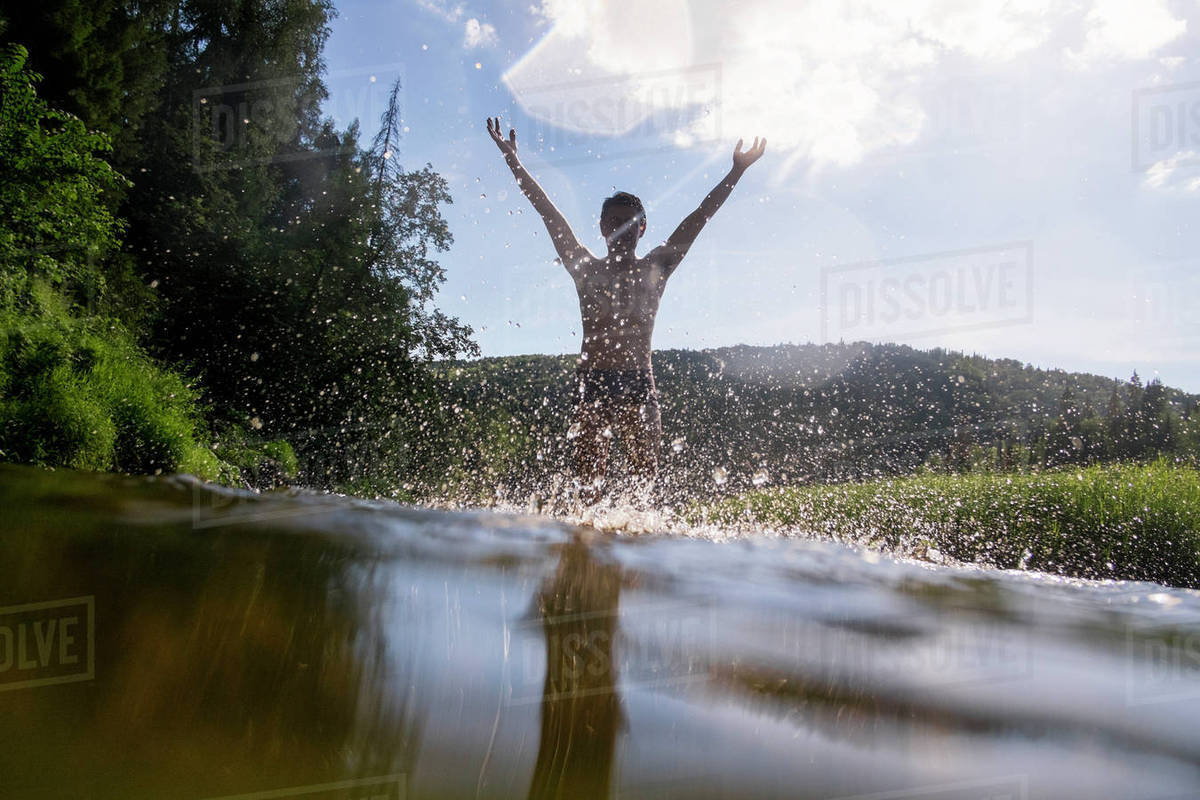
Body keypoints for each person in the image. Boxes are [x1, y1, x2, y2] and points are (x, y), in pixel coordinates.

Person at [487, 117, 766, 504]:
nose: (620, 230)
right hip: (593, 381)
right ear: (601, 227)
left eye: (629, 223)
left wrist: (735, 172)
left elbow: (699, 217)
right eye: (613, 222)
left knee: (642, 487)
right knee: (587, 490)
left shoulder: (655, 269)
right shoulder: (586, 270)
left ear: (643, 229)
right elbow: (547, 212)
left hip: (638, 381)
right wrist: (514, 163)